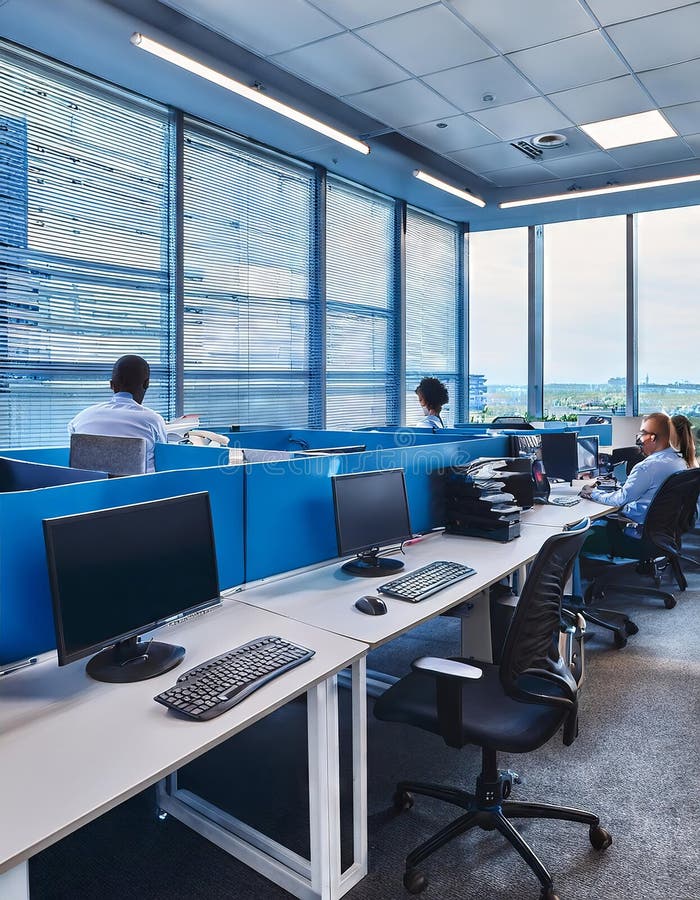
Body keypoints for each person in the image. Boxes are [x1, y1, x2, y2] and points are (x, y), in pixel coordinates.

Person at [579, 412, 686, 555]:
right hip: (665, 534)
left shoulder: (647, 467)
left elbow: (621, 500)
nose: (640, 440)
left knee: (582, 536)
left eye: (642, 435)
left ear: (652, 437)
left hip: (639, 536)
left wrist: (593, 493)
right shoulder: (680, 462)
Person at [68, 355, 167, 473]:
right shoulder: (152, 420)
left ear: (111, 385)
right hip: (139, 489)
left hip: (86, 490)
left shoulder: (80, 418)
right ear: (146, 384)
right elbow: (164, 459)